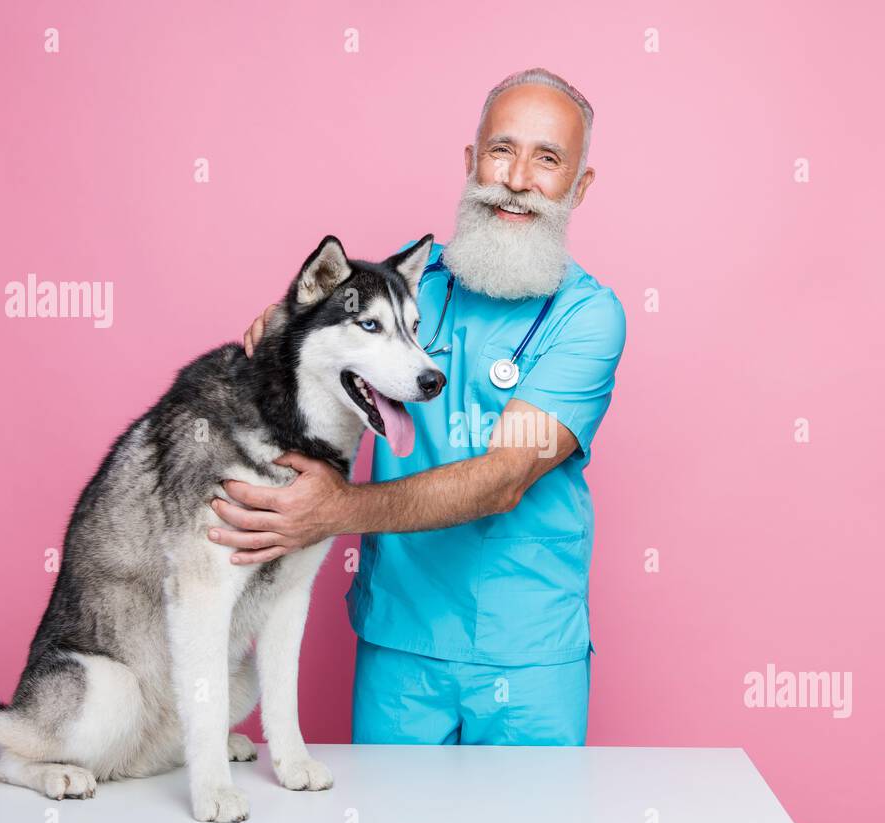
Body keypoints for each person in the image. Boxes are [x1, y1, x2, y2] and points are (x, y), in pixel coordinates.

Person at [211, 68, 626, 745]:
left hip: (528, 655)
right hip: (400, 644)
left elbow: (505, 477)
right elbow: (310, 339)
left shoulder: (587, 316)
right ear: (471, 163)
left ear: (579, 187)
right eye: (502, 150)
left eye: (547, 160)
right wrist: (288, 327)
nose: (517, 179)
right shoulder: (401, 292)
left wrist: (337, 510)